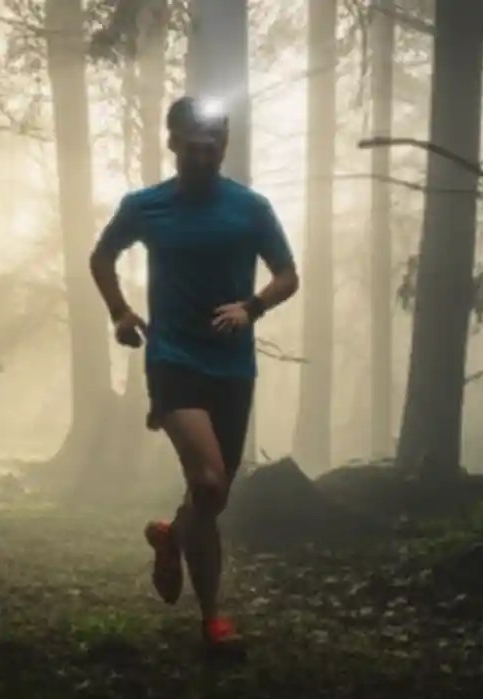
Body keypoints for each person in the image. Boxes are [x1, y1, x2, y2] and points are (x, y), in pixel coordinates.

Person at [88, 96, 299, 656]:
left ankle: (172, 535)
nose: (203, 161)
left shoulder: (251, 208)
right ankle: (211, 620)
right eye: (193, 150)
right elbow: (101, 257)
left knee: (214, 495)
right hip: (172, 358)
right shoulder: (145, 206)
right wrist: (120, 313)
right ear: (173, 143)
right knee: (207, 482)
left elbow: (287, 275)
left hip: (233, 365)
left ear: (223, 147)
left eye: (213, 150)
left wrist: (251, 308)